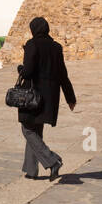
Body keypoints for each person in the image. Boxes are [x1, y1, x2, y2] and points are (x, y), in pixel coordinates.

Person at [17, 17, 77, 181]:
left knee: (27, 129)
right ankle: (31, 170)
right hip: (49, 97)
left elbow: (28, 71)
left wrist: (21, 69)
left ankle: (52, 160)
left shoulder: (32, 44)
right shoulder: (56, 47)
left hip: (32, 96)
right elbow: (63, 75)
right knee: (36, 130)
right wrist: (70, 97)